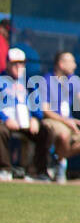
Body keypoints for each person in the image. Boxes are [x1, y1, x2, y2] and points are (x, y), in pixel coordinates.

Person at [38, 51, 80, 177]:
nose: (74, 65)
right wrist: (66, 121)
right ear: (61, 64)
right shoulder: (46, 81)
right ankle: (59, 163)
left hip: (69, 122)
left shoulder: (73, 80)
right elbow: (45, 110)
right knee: (63, 135)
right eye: (71, 62)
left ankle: (57, 159)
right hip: (52, 120)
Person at [0, 49, 53, 180]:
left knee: (46, 131)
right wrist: (5, 119)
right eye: (15, 64)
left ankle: (38, 172)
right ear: (7, 64)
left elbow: (36, 104)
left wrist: (35, 118)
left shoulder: (28, 82)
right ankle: (5, 169)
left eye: (22, 64)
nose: (19, 67)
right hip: (7, 122)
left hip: (25, 121)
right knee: (0, 131)